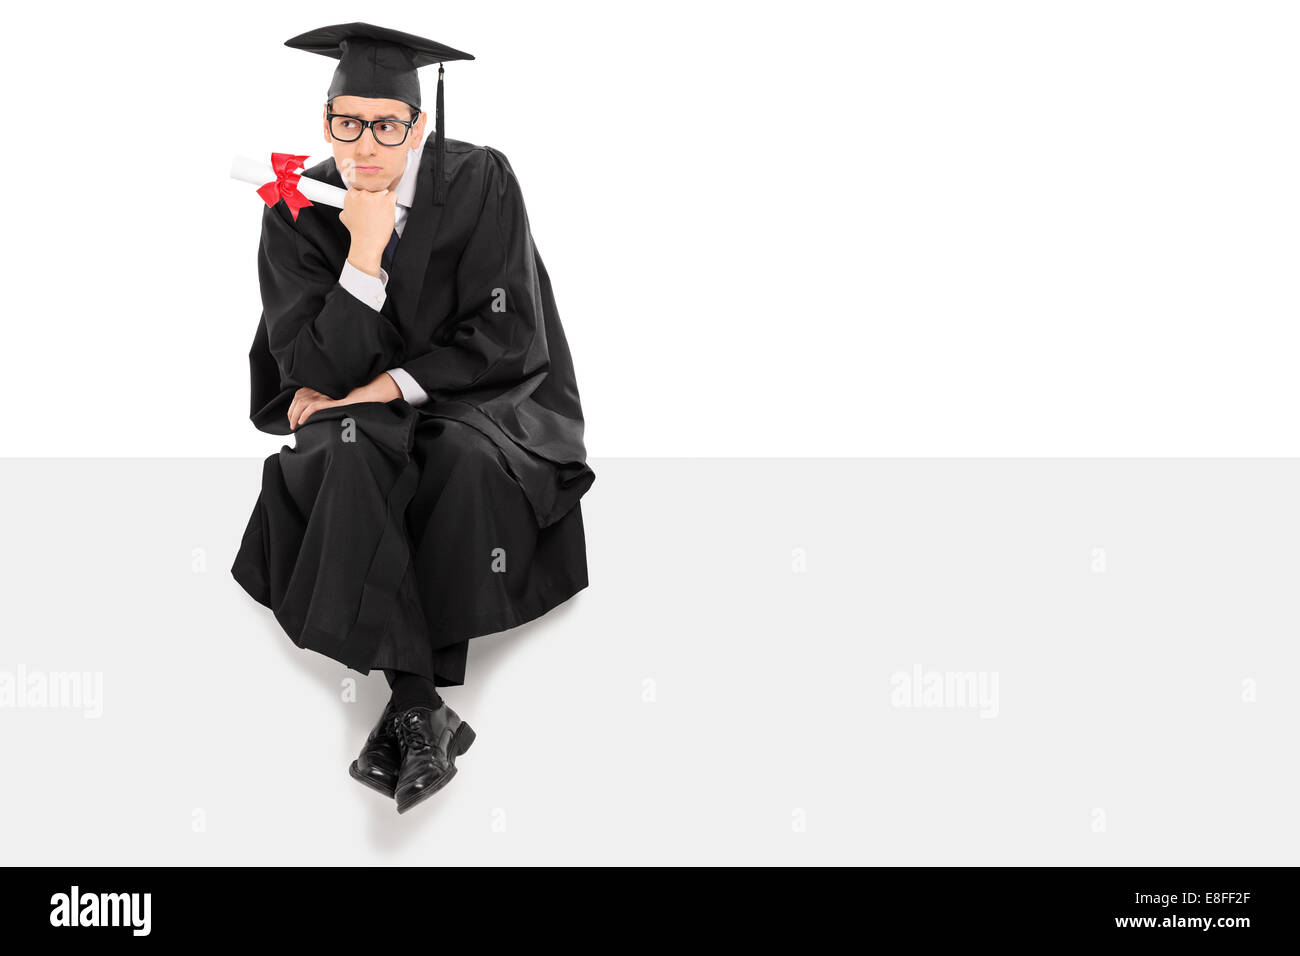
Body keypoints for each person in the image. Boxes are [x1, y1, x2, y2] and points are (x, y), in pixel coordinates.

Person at [230, 22, 595, 815]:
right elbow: (306, 374)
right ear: (326, 120)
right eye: (345, 122)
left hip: (477, 401)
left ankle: (405, 706)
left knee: (460, 462)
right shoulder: (295, 208)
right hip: (358, 424)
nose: (364, 146)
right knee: (353, 453)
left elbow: (503, 334)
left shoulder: (482, 181)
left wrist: (382, 387)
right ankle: (417, 703)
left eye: (387, 124)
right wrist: (361, 260)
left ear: (418, 123)